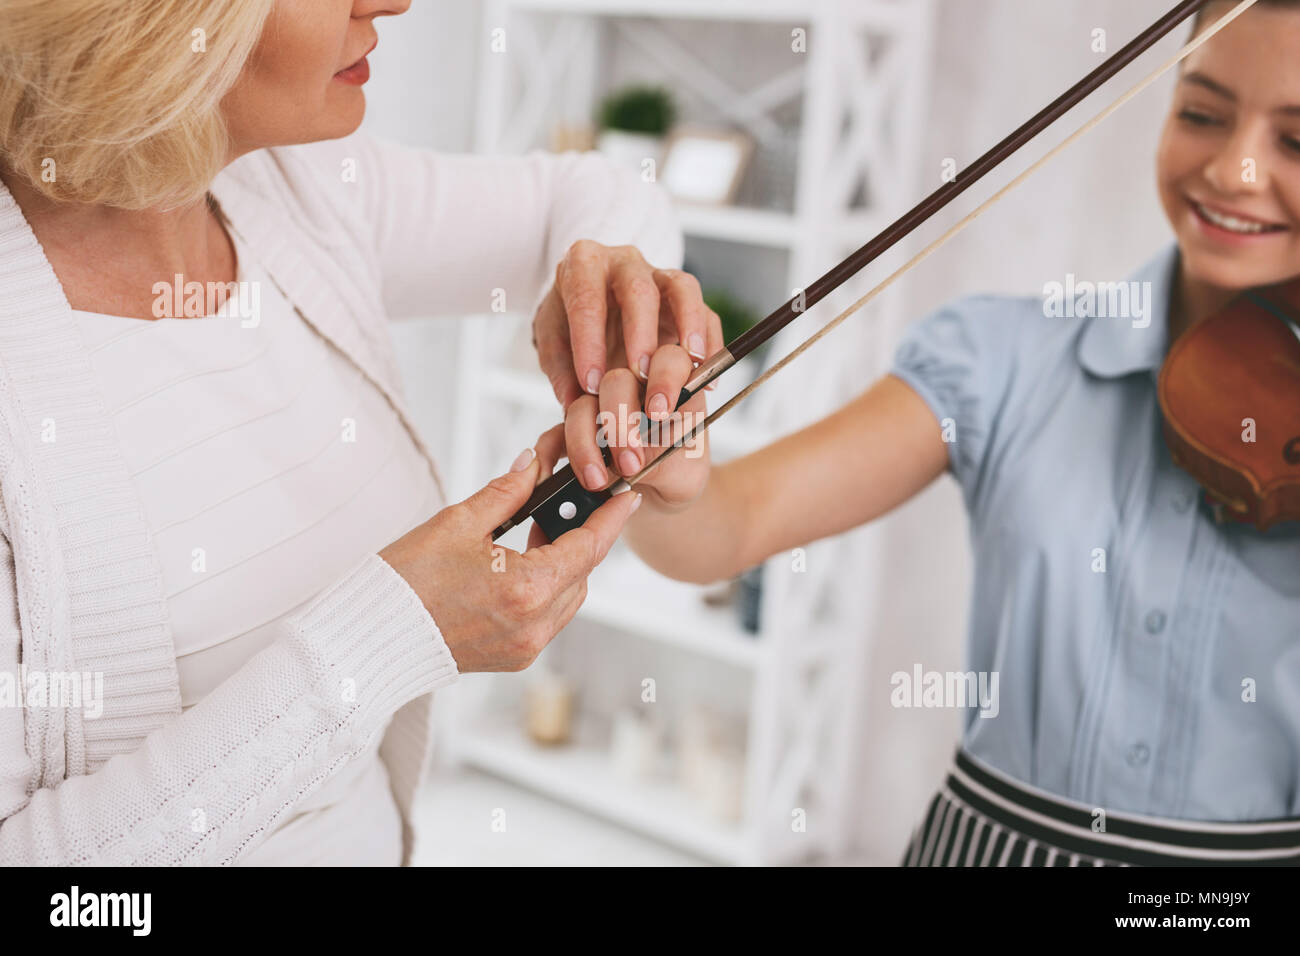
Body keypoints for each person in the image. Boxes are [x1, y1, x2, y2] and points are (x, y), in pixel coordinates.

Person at [542, 0, 1300, 865]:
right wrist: (674, 487)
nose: (1237, 169)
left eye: (1297, 142)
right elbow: (732, 526)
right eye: (1202, 113)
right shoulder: (1002, 357)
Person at [0, 0, 711, 865]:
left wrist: (618, 307)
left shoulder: (293, 192)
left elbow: (606, 189)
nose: (393, 1)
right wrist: (394, 634)